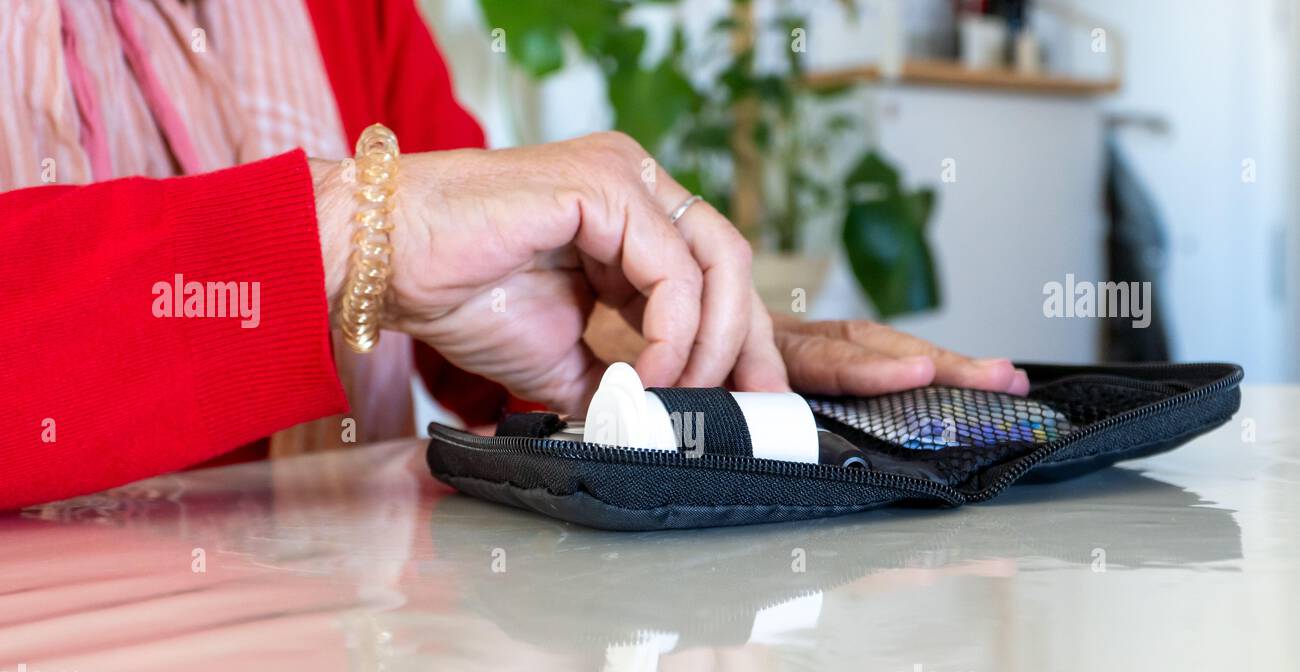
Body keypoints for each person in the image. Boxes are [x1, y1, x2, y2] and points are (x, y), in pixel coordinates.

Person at [0, 0, 1029, 511]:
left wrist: (650, 357)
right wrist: (350, 225)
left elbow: (472, 308)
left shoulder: (353, 11)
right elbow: (396, 227)